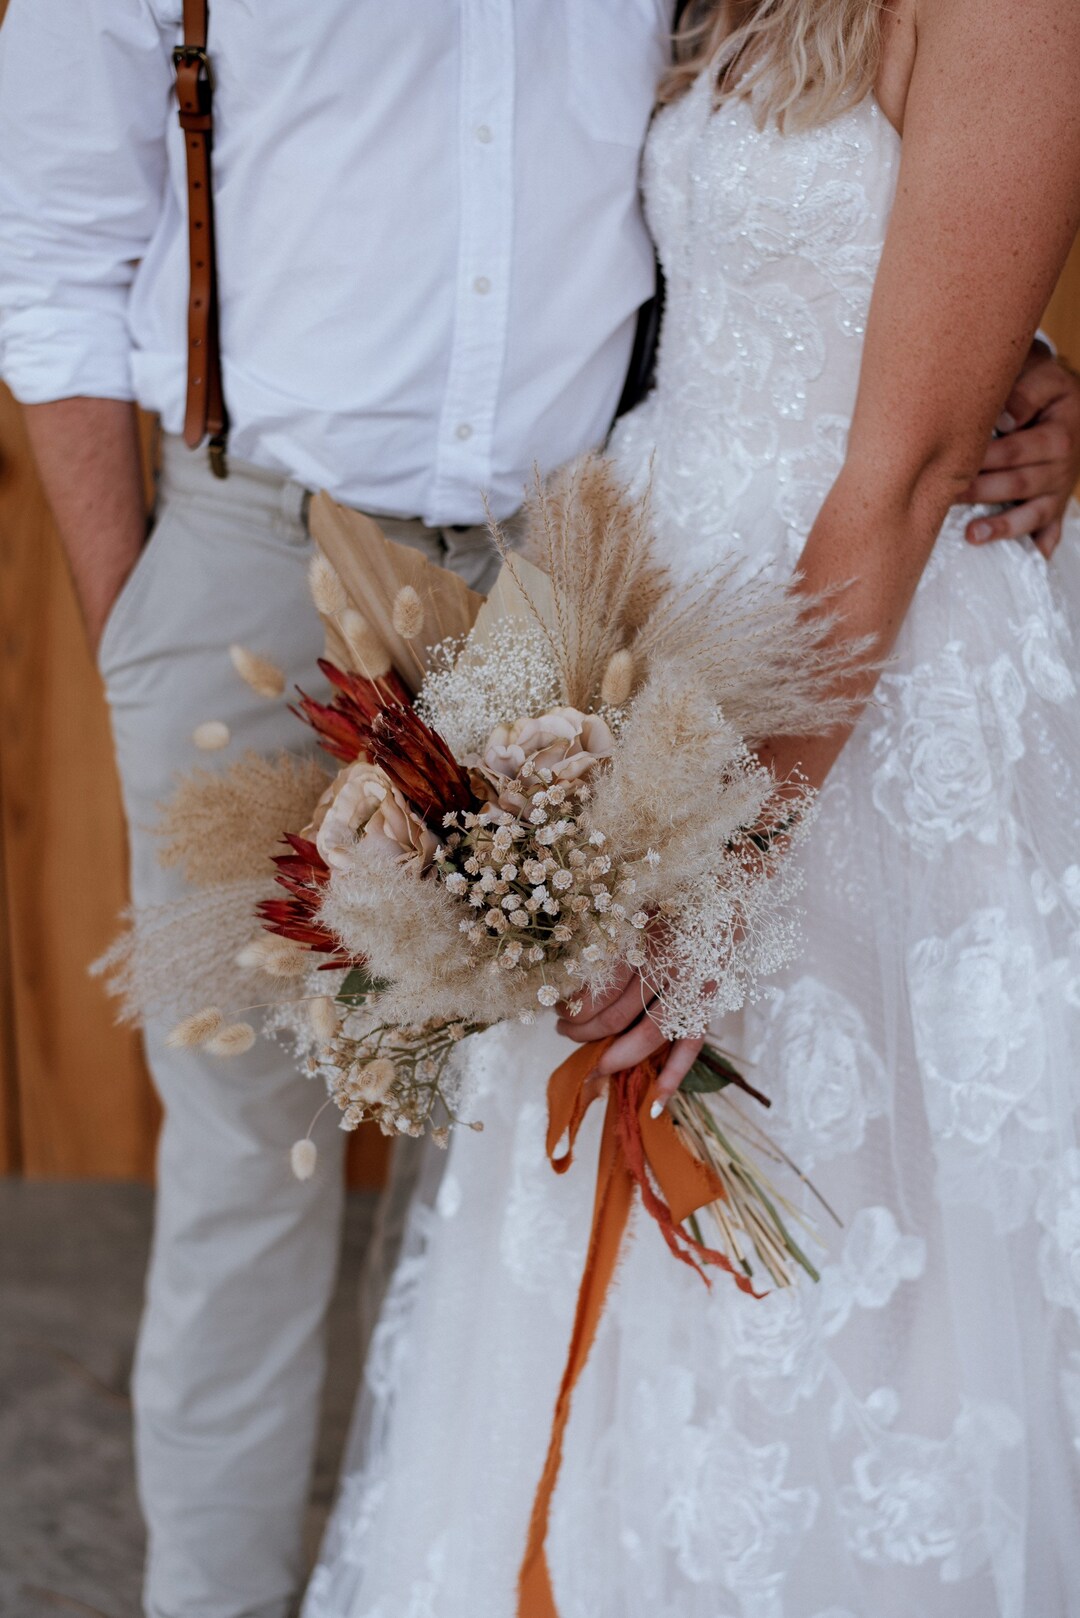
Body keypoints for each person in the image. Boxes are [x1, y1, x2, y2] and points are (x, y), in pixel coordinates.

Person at [0, 5, 1075, 1617]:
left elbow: (896, 362)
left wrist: (1016, 368)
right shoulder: (738, 0)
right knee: (255, 1157)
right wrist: (139, 623)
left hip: (666, 599)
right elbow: (54, 247)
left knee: (803, 1171)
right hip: (392, 567)